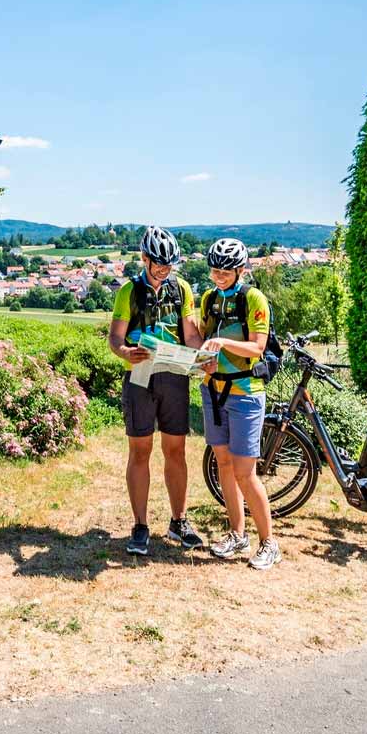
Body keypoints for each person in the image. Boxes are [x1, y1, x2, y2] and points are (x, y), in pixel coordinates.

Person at [108, 226, 203, 555]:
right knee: (140, 452)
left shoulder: (183, 290)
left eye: (170, 265)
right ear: (144, 259)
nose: (165, 271)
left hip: (174, 375)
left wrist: (203, 355)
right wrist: (125, 353)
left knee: (176, 450)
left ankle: (179, 521)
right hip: (140, 375)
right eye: (159, 265)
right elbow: (115, 339)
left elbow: (190, 334)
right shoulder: (128, 292)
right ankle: (140, 525)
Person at [197, 237, 278, 569]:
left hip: (245, 392)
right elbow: (203, 341)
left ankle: (269, 542)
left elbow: (257, 347)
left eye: (226, 272)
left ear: (241, 270)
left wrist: (222, 342)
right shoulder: (209, 299)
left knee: (246, 473)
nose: (219, 276)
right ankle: (236, 533)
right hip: (213, 390)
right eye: (215, 270)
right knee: (224, 467)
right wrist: (205, 358)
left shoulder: (253, 299)